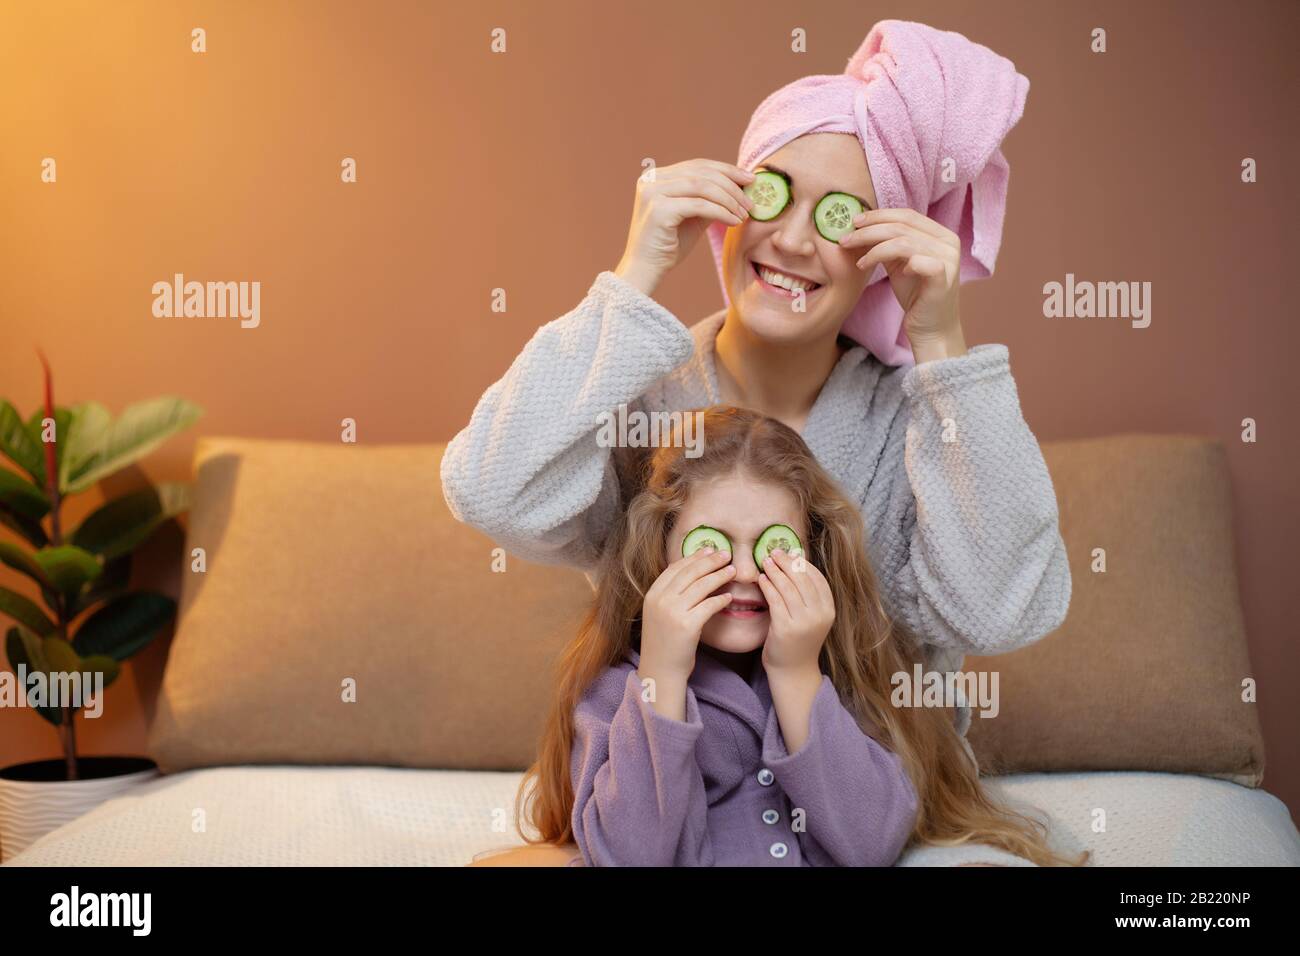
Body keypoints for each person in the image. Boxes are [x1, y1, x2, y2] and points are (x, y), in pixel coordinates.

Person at [446, 20, 1072, 864]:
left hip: (861, 802)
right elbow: (490, 490)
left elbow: (998, 610)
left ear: (881, 254)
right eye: (776, 193)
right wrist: (632, 276)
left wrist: (942, 343)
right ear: (731, 207)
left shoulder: (912, 426)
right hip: (664, 789)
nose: (796, 240)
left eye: (841, 215)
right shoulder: (642, 401)